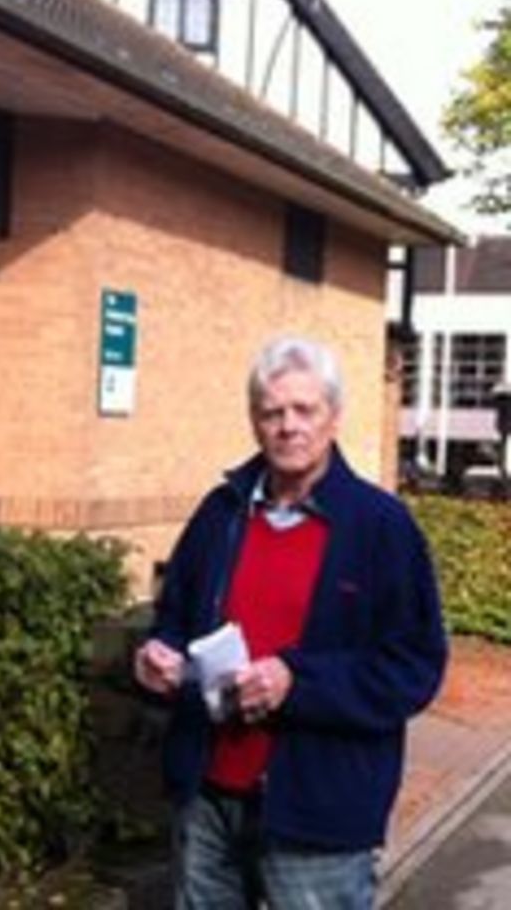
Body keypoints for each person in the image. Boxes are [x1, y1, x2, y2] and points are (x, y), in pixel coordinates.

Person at [134, 335, 447, 910]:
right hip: (208, 799)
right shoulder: (220, 513)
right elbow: (173, 616)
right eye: (272, 412)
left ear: (334, 417)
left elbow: (413, 667)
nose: (288, 427)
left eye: (305, 409)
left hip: (319, 814)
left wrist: (295, 683)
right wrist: (157, 653)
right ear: (254, 422)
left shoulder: (381, 527)